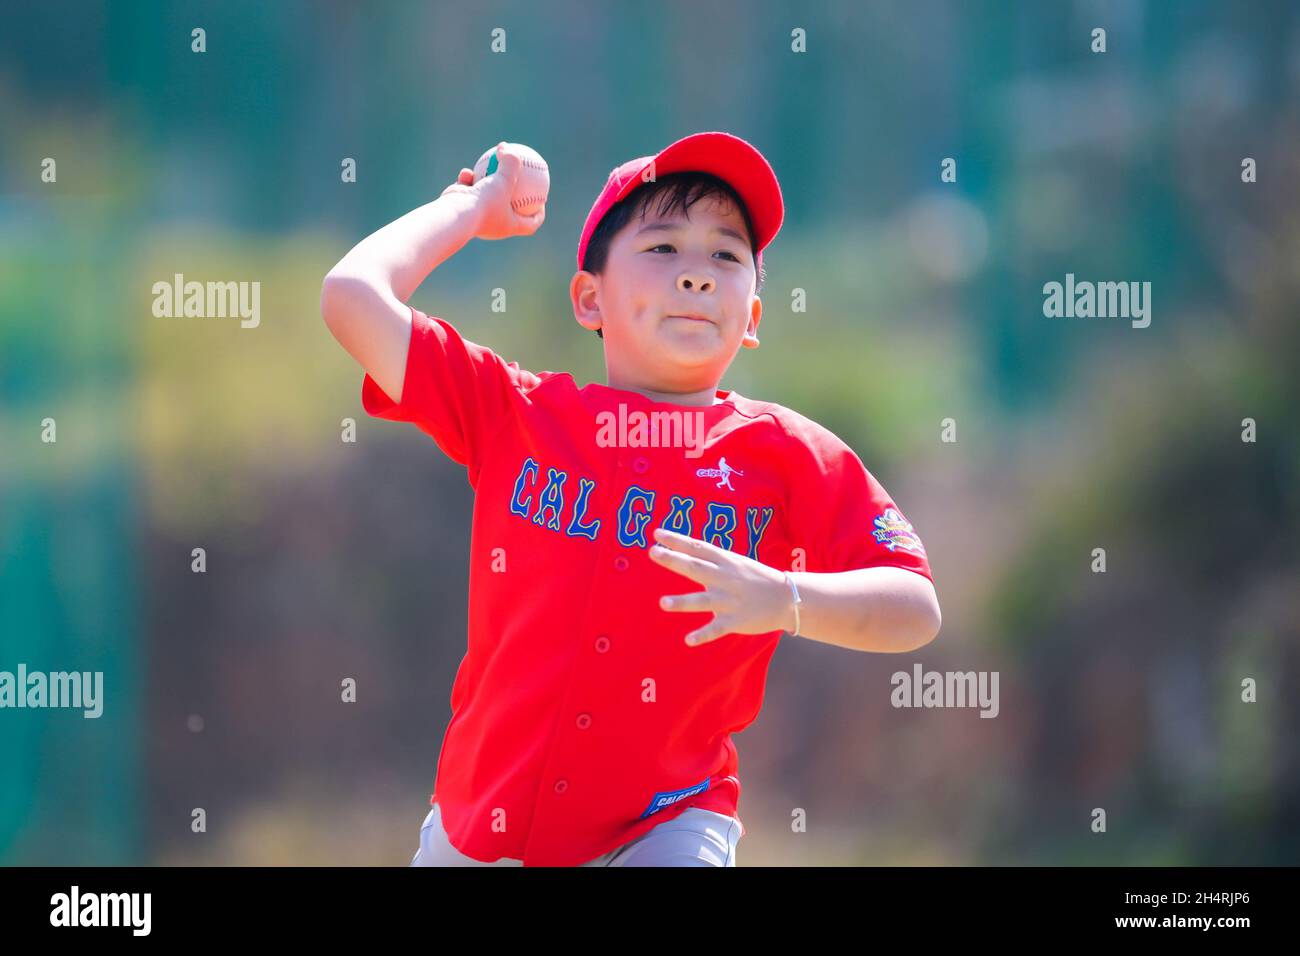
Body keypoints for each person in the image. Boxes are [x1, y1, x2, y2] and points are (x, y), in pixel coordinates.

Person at [320, 131, 942, 867]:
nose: (697, 275)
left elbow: (915, 607)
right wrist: (468, 207)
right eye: (662, 249)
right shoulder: (515, 413)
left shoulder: (787, 454)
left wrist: (786, 596)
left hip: (665, 827)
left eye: (725, 254)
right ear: (590, 297)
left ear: (753, 320)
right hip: (477, 828)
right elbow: (352, 297)